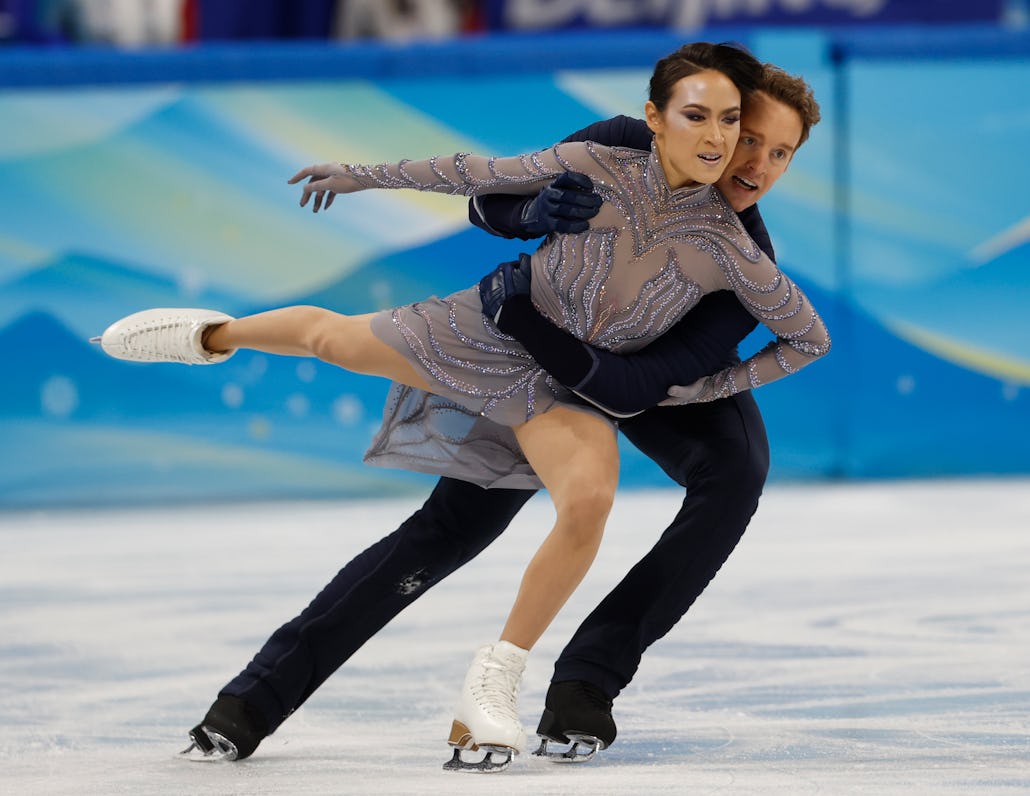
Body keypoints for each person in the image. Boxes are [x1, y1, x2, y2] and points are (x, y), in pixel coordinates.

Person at [96, 45, 829, 771]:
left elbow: (634, 390)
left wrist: (693, 386)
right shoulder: (621, 145)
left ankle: (580, 681)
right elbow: (485, 192)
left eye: (777, 153)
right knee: (446, 524)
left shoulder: (739, 258)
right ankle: (255, 695)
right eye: (743, 133)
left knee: (726, 476)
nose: (749, 161)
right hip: (526, 338)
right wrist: (532, 213)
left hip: (638, 375)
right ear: (666, 119)